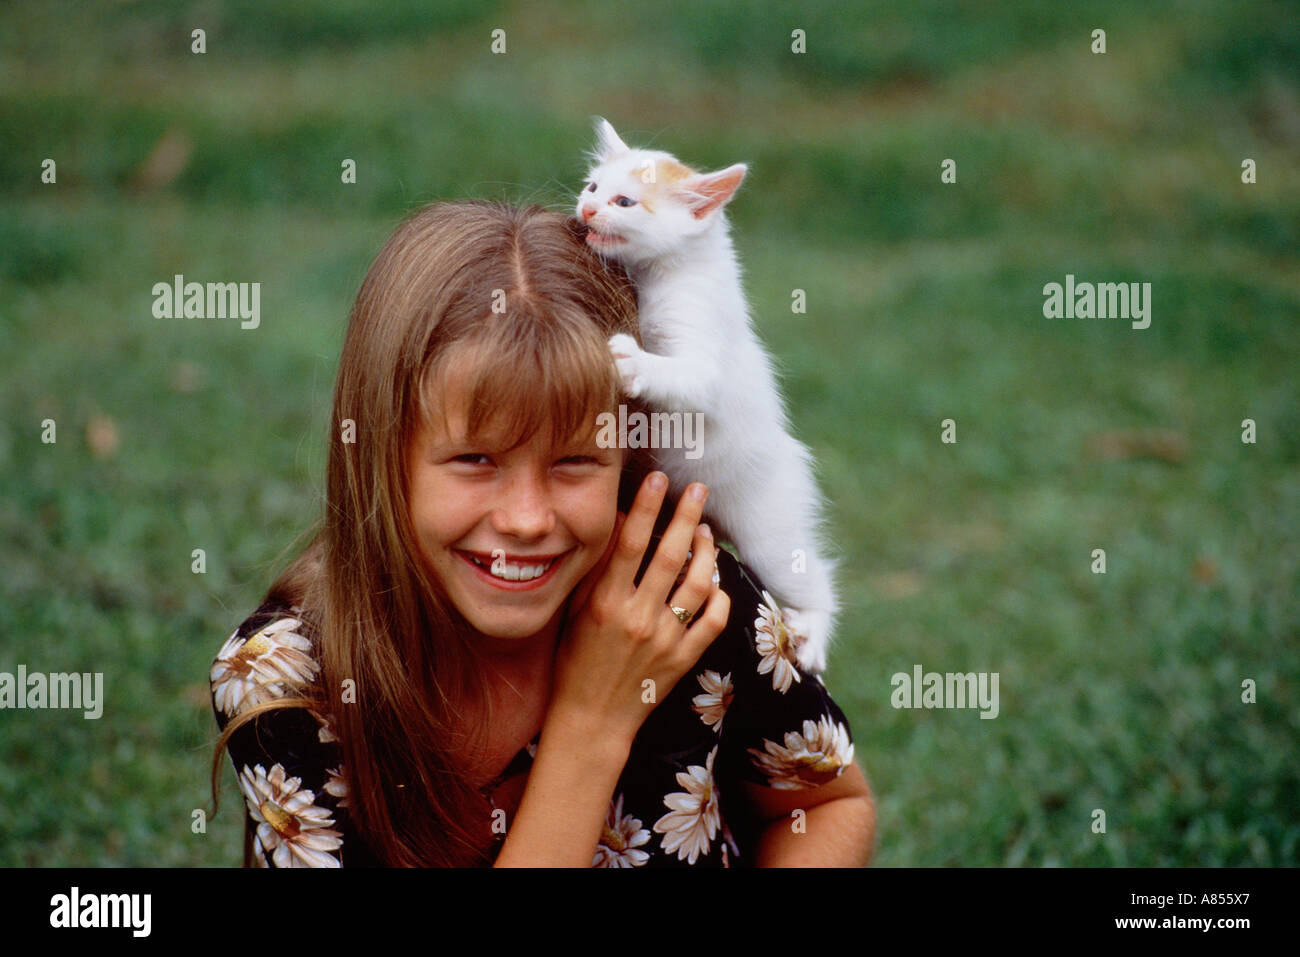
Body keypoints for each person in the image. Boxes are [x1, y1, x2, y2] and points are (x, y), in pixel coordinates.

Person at [208, 200, 875, 867]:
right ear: (381, 456)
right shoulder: (290, 682)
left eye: (574, 461)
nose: (526, 519)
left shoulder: (681, 599)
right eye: (475, 459)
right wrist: (592, 723)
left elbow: (824, 802)